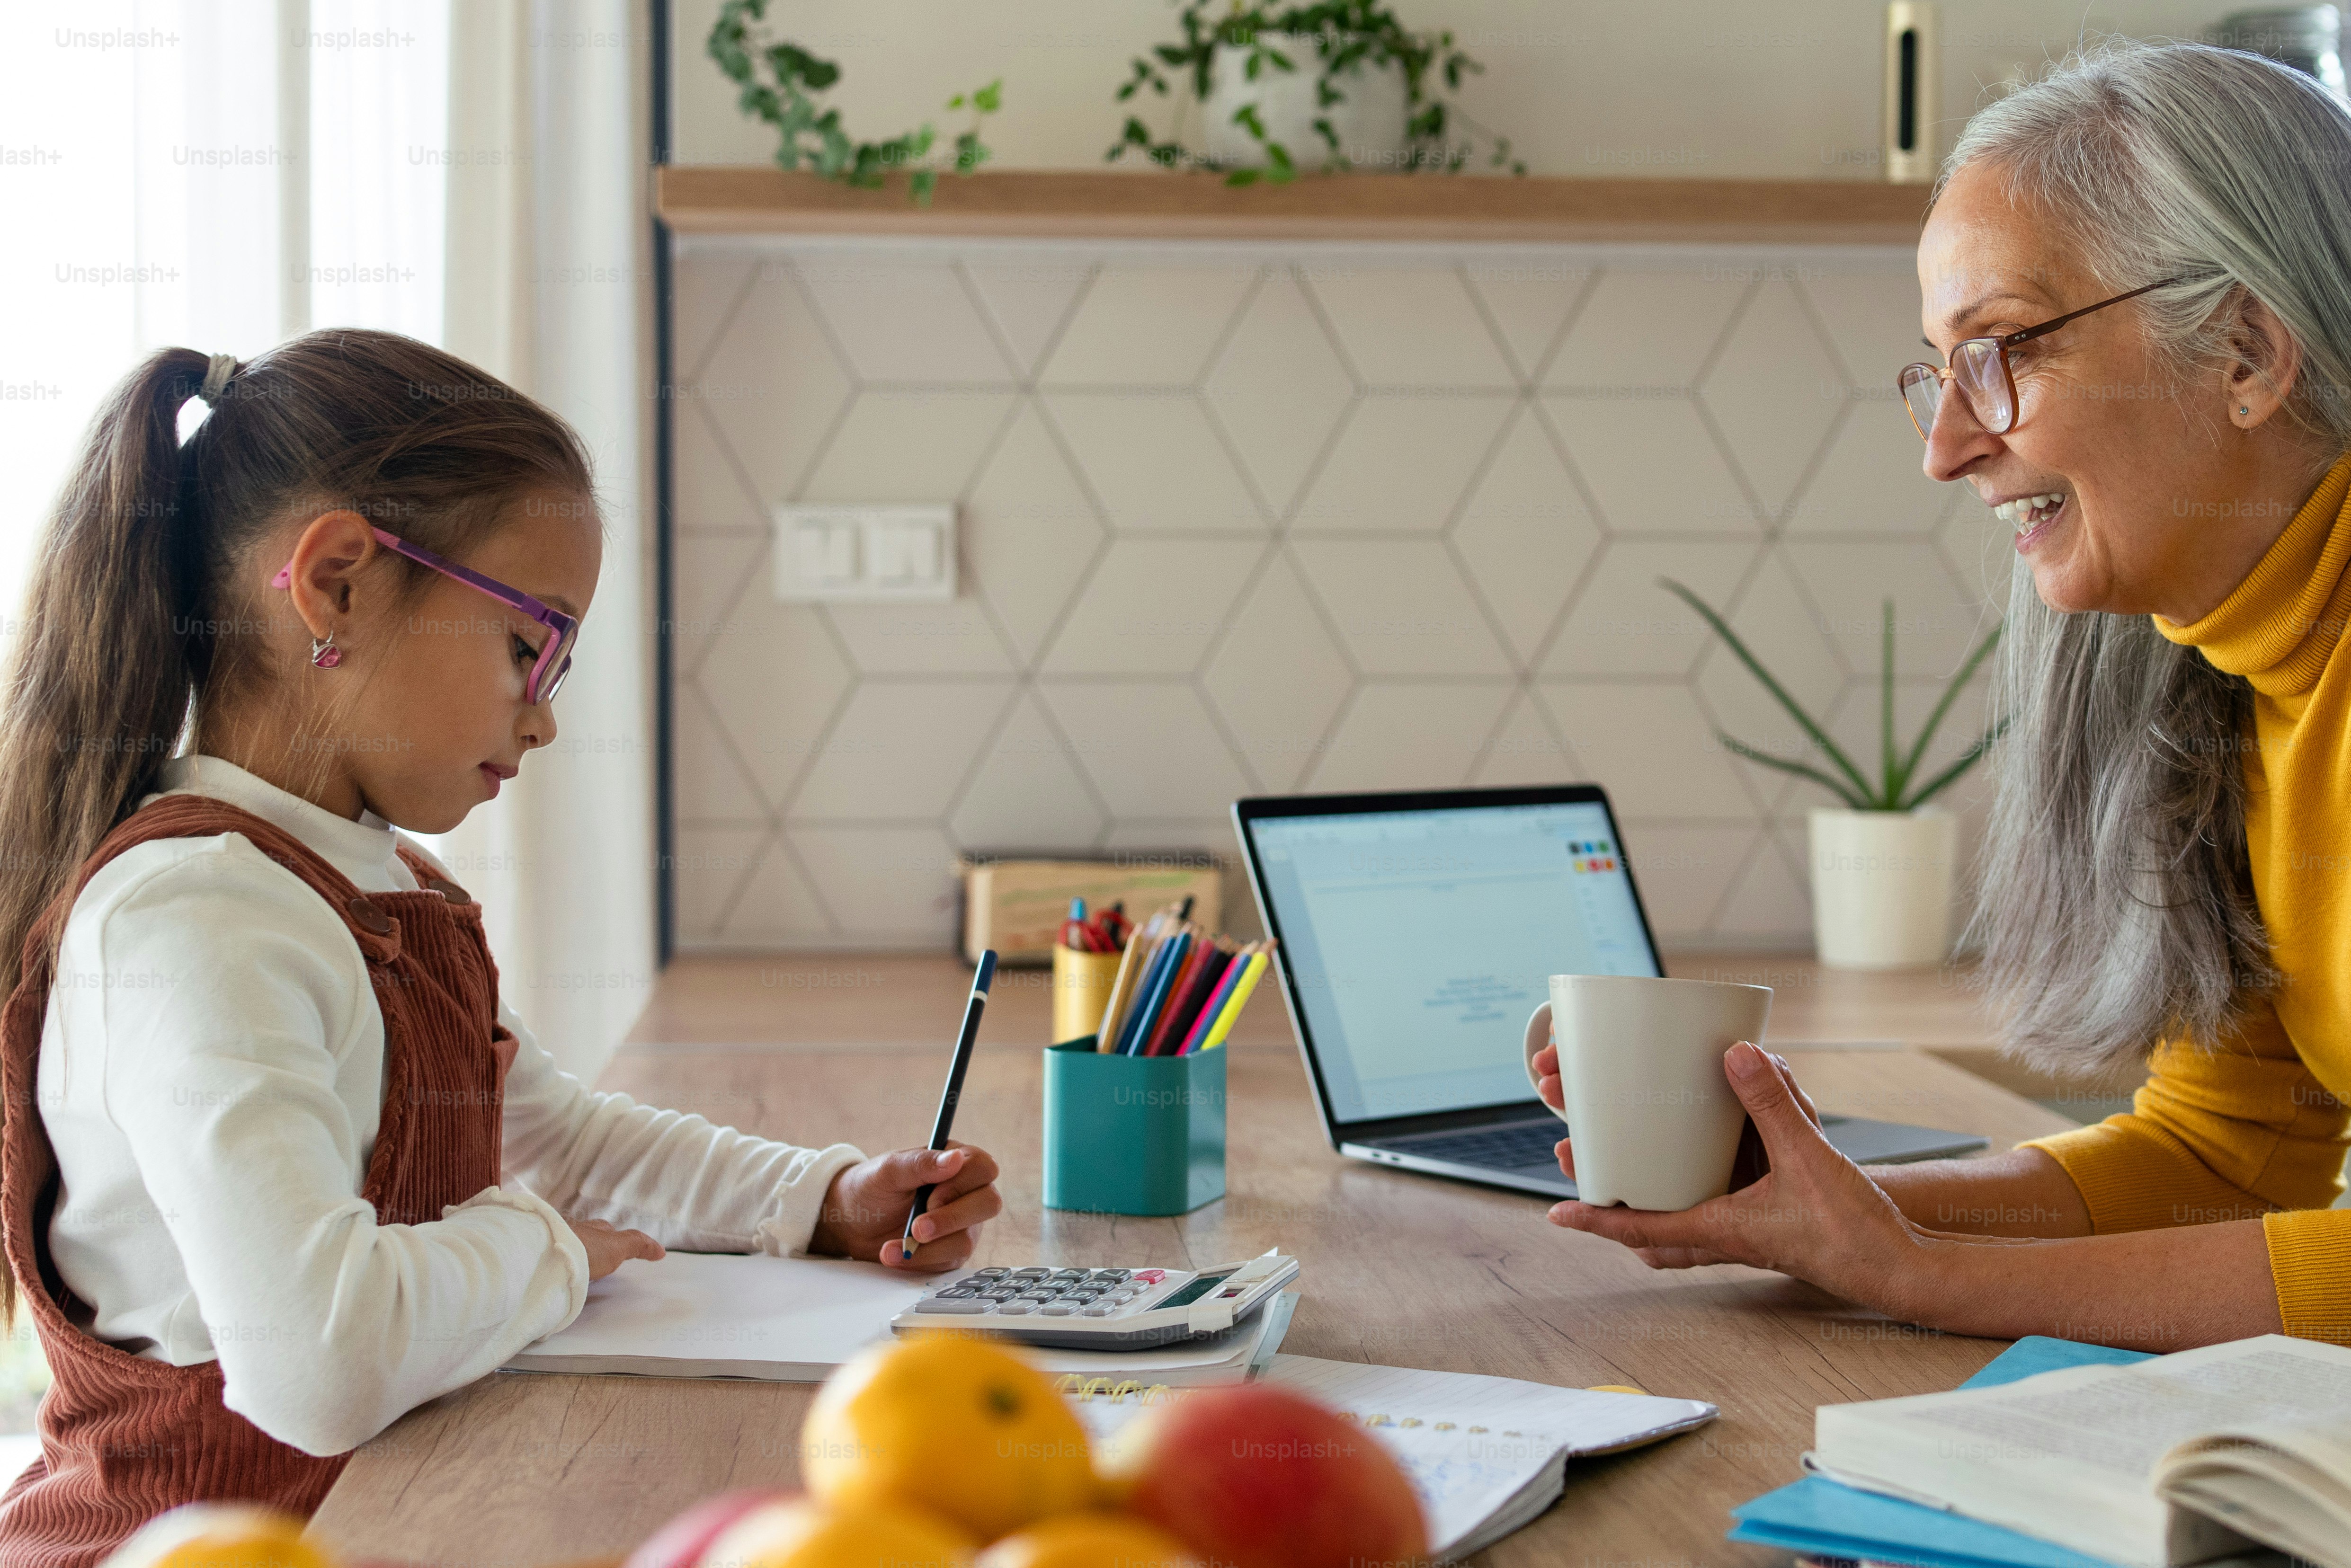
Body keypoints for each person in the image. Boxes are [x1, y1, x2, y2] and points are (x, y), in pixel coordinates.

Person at [0, 330, 1003, 1565]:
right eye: (531, 643)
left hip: (390, 1519)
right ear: (338, 585)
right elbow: (318, 1358)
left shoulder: (367, 880)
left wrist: (816, 1198)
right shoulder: (195, 919)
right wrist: (550, 1250)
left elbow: (556, 1138)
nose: (546, 716)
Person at [1538, 39, 2351, 1351]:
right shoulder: (2231, 680)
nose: (1946, 447)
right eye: (1938, 365)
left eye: (2002, 350)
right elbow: (2227, 1158)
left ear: (2248, 353)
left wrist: (1926, 1273)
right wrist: (1805, 1207)